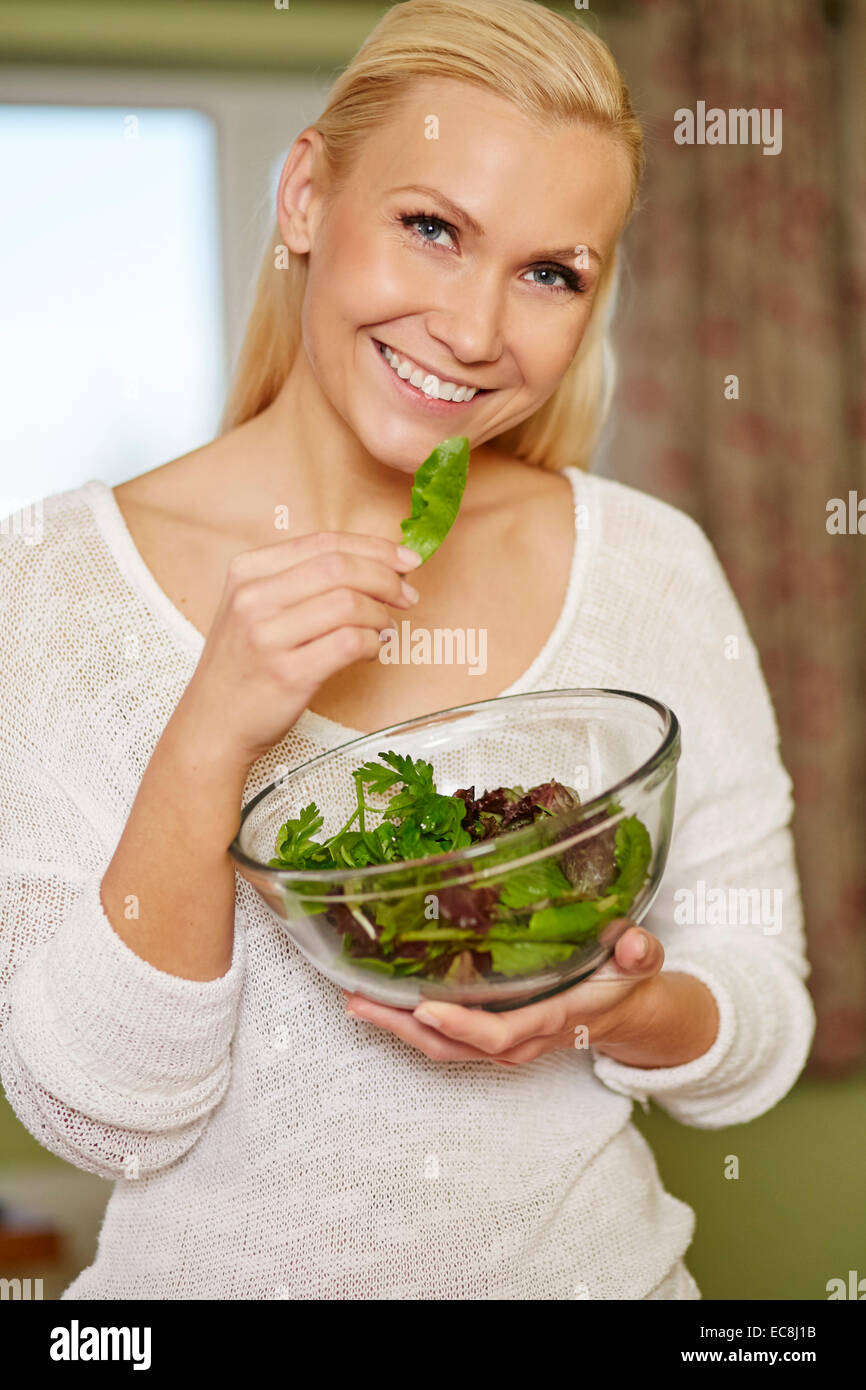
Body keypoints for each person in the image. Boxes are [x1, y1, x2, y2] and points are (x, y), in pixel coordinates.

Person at [0, 0, 813, 1300]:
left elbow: (757, 1012)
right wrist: (212, 729)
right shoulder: (50, 582)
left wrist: (616, 1008)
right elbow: (102, 1114)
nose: (476, 328)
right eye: (431, 228)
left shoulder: (649, 563)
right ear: (309, 194)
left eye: (552, 272)